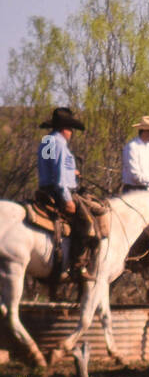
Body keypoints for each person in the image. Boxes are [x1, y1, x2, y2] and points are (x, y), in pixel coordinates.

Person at [35, 107, 99, 283]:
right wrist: (67, 198)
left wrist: (72, 171)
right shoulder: (60, 143)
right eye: (71, 129)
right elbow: (60, 176)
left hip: (45, 188)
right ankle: (78, 266)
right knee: (87, 223)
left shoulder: (47, 140)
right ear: (64, 128)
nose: (71, 132)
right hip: (59, 190)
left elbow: (51, 166)